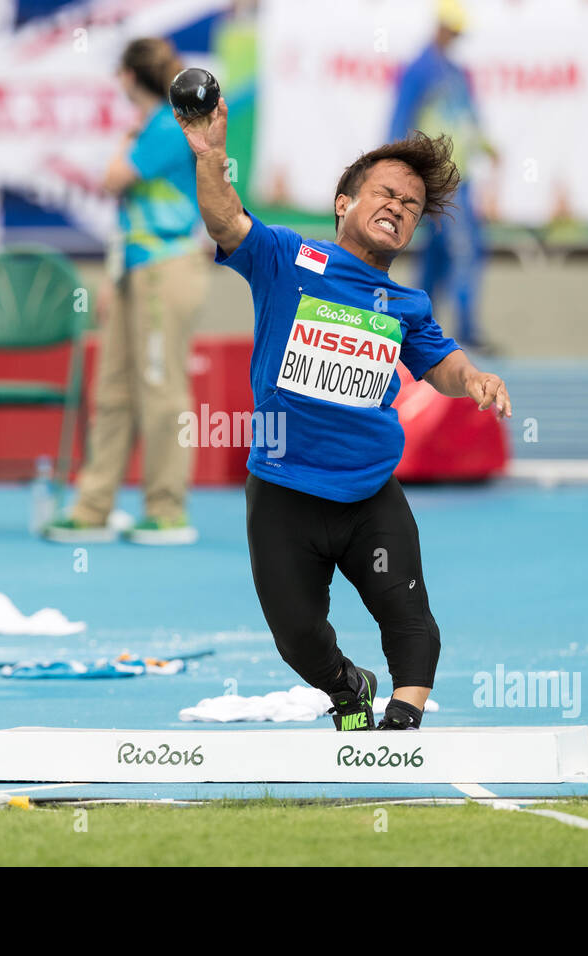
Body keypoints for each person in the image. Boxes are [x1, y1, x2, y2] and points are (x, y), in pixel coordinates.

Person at [175, 100, 512, 731]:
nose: (398, 209)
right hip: (283, 489)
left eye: (411, 207)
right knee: (299, 638)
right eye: (386, 193)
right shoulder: (284, 260)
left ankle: (401, 727)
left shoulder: (405, 303)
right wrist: (209, 157)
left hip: (367, 494)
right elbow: (225, 219)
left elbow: (441, 363)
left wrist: (475, 379)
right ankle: (349, 688)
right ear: (343, 204)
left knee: (409, 619)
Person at [44, 38, 211, 546]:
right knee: (112, 389)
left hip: (167, 267)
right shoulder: (149, 125)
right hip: (135, 268)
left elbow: (113, 180)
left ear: (126, 78)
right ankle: (94, 507)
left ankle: (166, 510)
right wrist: (112, 277)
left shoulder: (164, 123)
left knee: (161, 389)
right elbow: (125, 213)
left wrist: (124, 139)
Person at [389, 0, 497, 352]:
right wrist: (398, 168)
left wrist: (487, 147)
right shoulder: (421, 70)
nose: (454, 37)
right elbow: (400, 121)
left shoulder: (453, 71)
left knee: (436, 253)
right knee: (465, 251)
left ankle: (415, 329)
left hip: (454, 177)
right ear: (440, 27)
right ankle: (465, 329)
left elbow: (467, 121)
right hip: (440, 180)